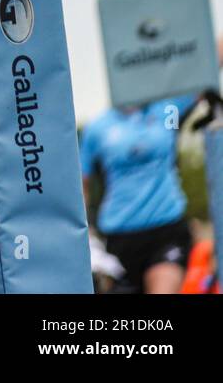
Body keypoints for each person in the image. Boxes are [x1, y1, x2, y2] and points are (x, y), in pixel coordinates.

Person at [80, 51, 222, 294]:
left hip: (166, 229)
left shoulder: (167, 113)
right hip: (119, 236)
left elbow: (206, 63)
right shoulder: (98, 128)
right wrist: (83, 233)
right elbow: (81, 184)